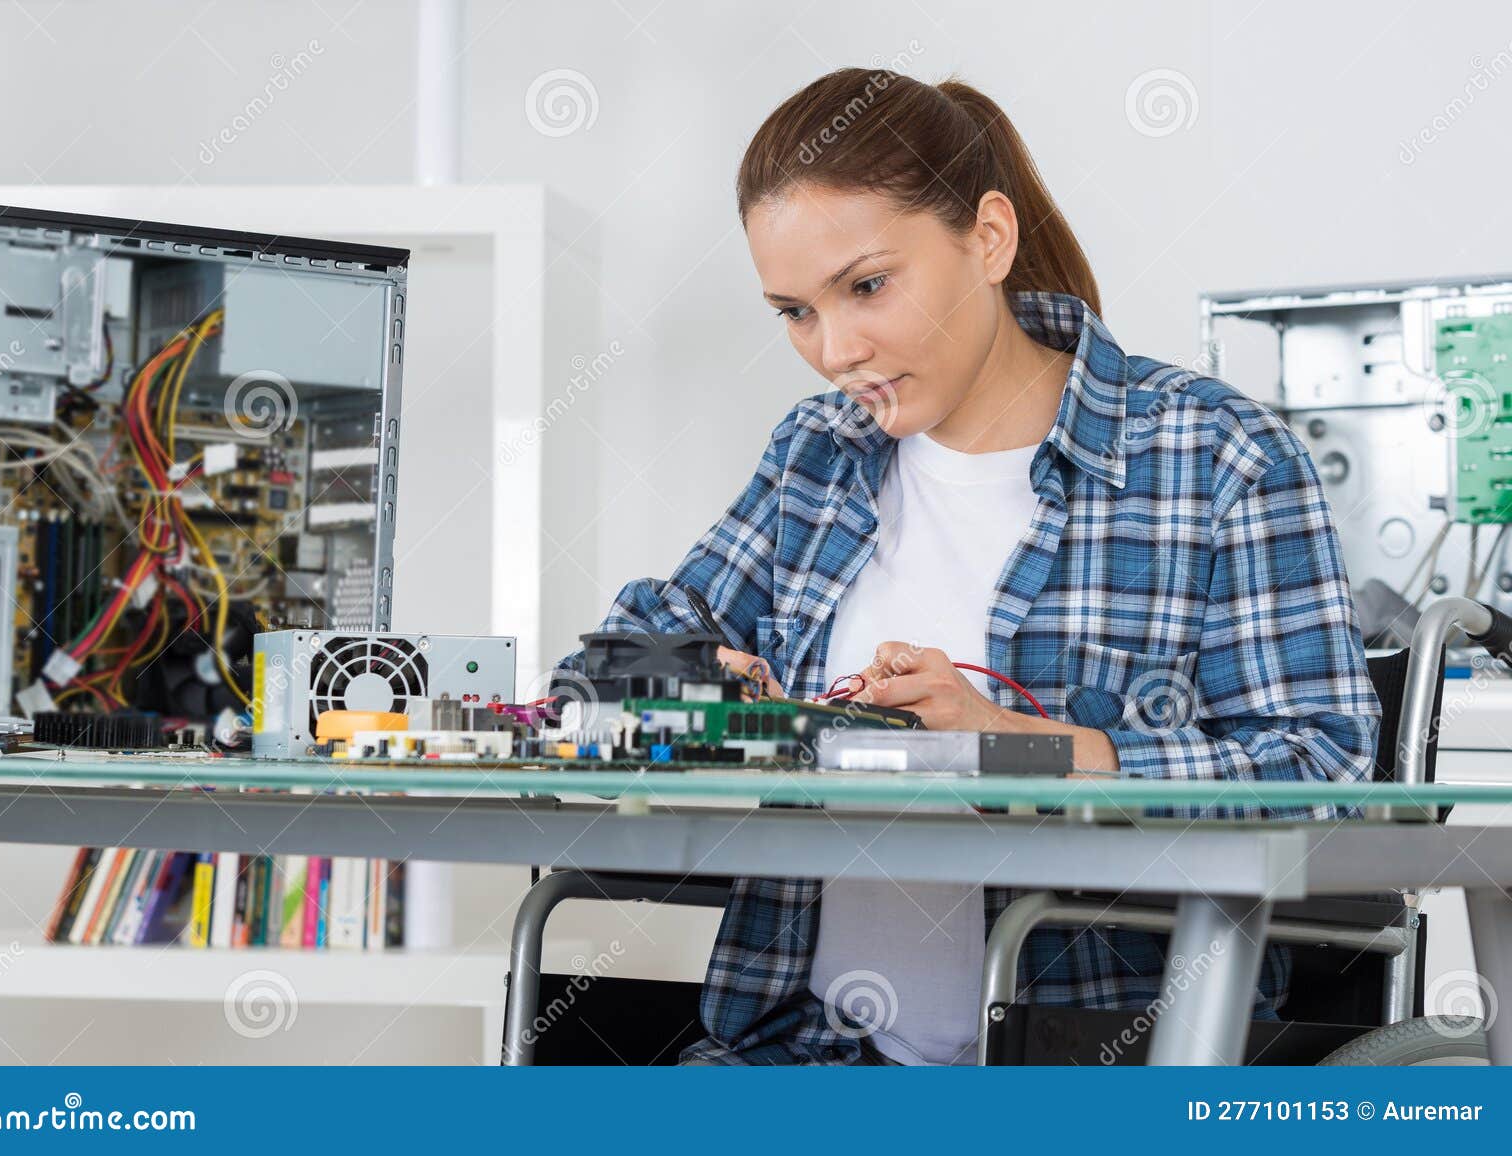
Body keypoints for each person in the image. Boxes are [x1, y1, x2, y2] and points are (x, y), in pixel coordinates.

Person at [556, 68, 1382, 1066]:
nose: (833, 349)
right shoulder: (818, 453)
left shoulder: (1219, 461)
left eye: (865, 287)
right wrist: (691, 684)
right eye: (795, 310)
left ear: (987, 239)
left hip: (1081, 1069)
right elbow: (659, 629)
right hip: (788, 1058)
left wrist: (1016, 747)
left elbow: (1321, 774)